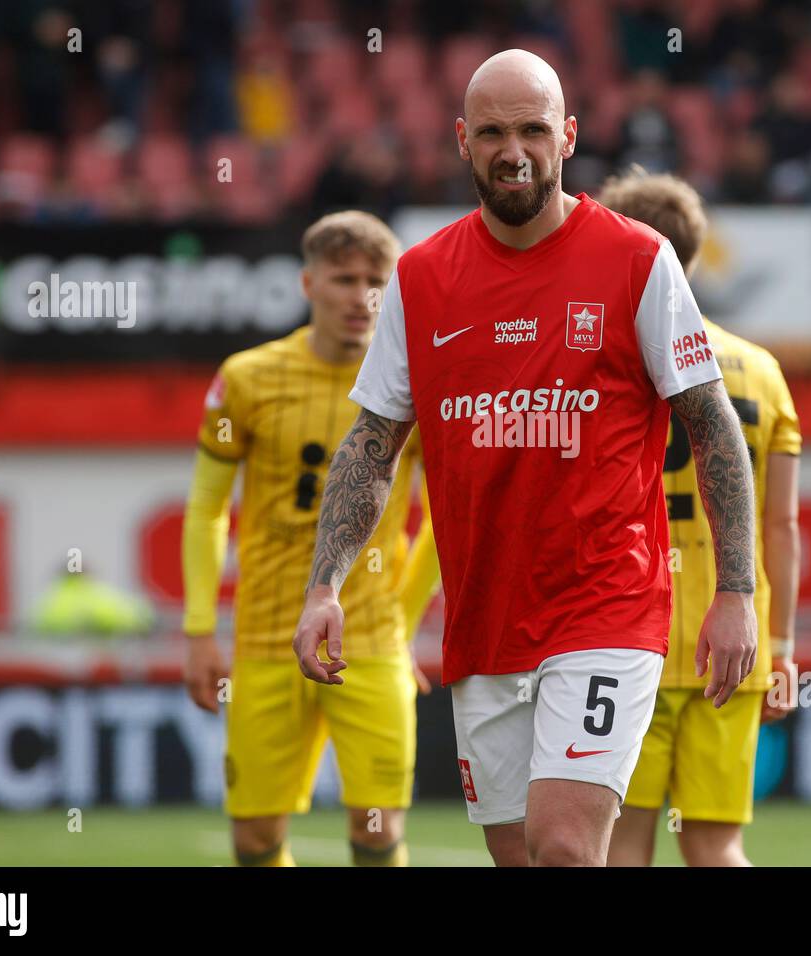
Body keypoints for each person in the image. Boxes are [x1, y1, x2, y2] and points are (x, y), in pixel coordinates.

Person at [292, 50, 759, 867]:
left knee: (567, 849)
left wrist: (735, 591)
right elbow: (371, 448)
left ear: (568, 136)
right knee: (521, 858)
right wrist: (324, 584)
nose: (516, 151)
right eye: (495, 132)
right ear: (462, 142)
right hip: (486, 622)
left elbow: (713, 429)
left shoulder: (636, 260)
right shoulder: (420, 278)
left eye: (535, 130)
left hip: (607, 606)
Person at [182, 211, 427, 867]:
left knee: (377, 830)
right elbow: (207, 504)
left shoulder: (415, 381)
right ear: (307, 283)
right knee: (256, 841)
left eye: (377, 281)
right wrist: (200, 629)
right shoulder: (248, 378)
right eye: (344, 279)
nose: (362, 296)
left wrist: (403, 621)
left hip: (371, 641)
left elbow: (444, 517)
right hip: (264, 636)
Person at [595, 168, 802, 867]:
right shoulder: (761, 370)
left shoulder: (613, 362)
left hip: (629, 639)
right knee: (716, 846)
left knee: (622, 845)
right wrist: (783, 647)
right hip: (735, 642)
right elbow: (782, 526)